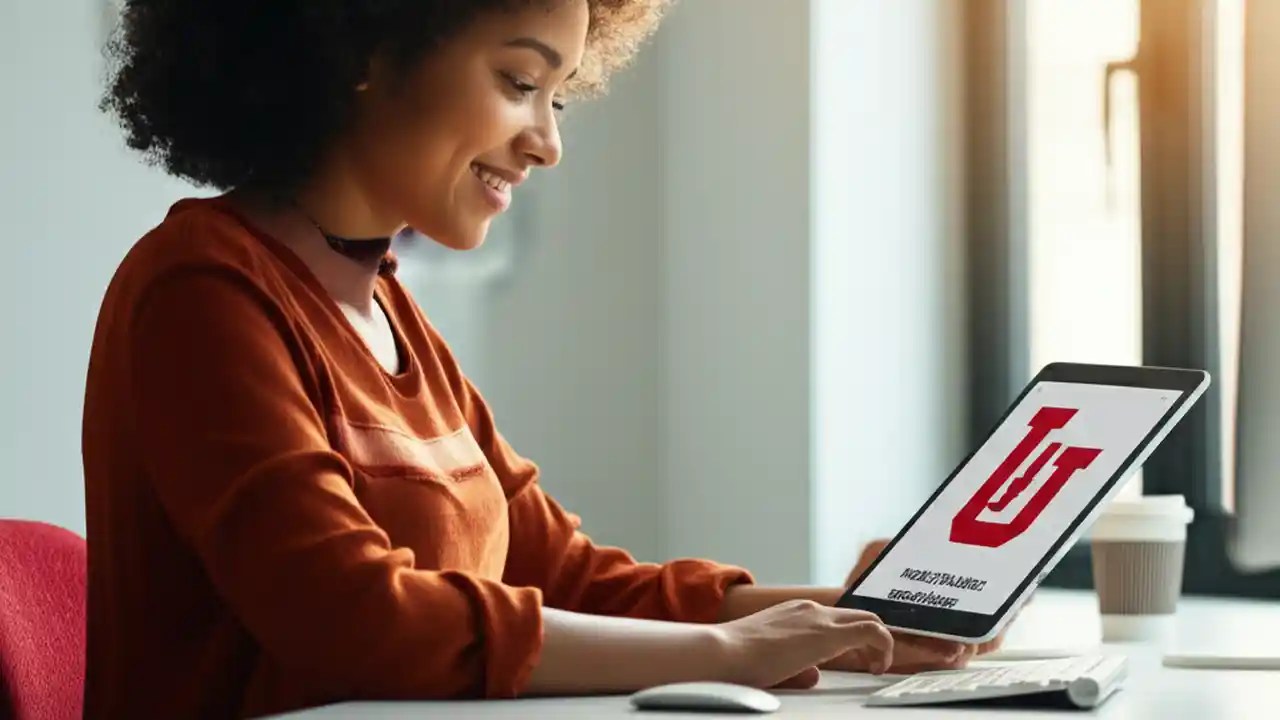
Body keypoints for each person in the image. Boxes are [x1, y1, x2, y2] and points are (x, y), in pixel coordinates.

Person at [83, 1, 1001, 717]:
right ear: (365, 49)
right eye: (521, 82)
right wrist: (728, 653)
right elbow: (352, 618)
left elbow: (559, 576)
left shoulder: (386, 308)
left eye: (558, 97)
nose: (549, 142)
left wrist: (847, 615)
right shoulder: (201, 289)